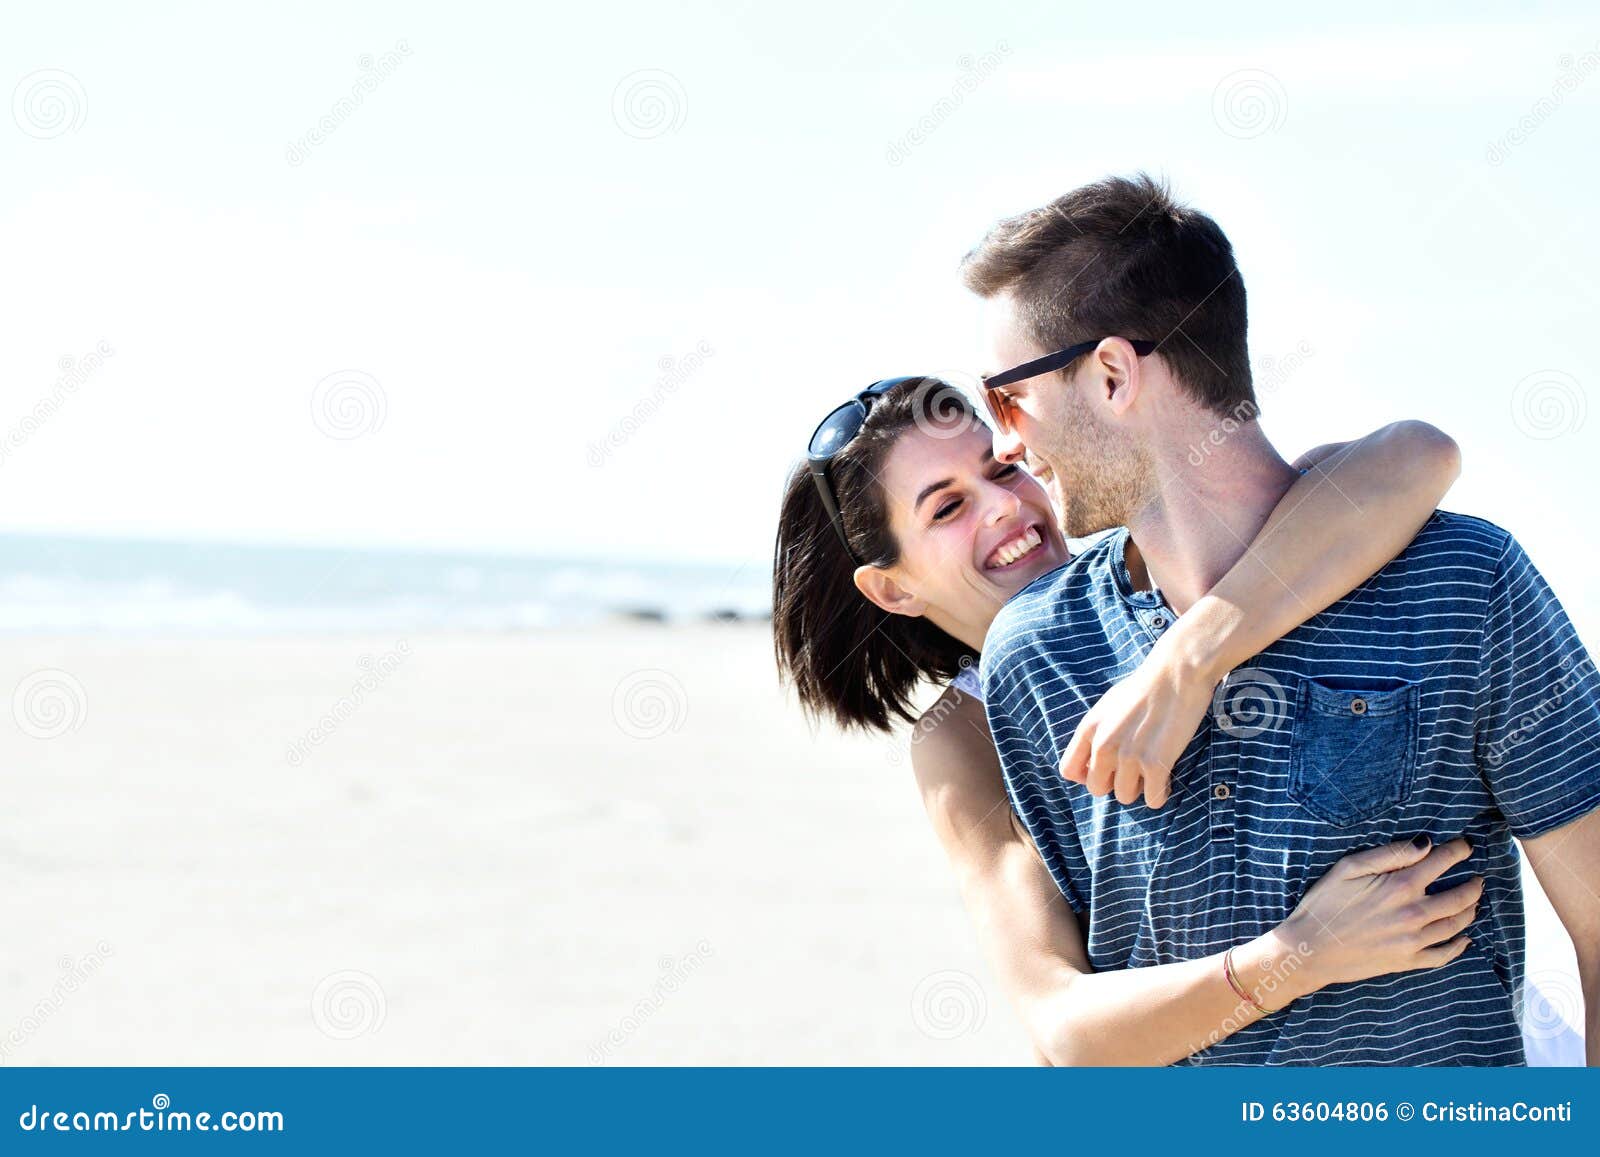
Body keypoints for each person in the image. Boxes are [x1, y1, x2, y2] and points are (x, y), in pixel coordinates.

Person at [964, 173, 1600, 1065]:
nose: (1004, 442)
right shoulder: (1039, 654)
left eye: (1005, 394)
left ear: (1112, 373)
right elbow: (1080, 1032)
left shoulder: (1462, 582)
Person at [773, 377, 1501, 1063]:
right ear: (892, 588)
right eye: (946, 508)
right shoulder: (962, 737)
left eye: (1000, 470)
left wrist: (1186, 657)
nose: (999, 506)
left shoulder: (1170, 561)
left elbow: (1417, 455)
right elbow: (1062, 1024)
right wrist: (1300, 952)